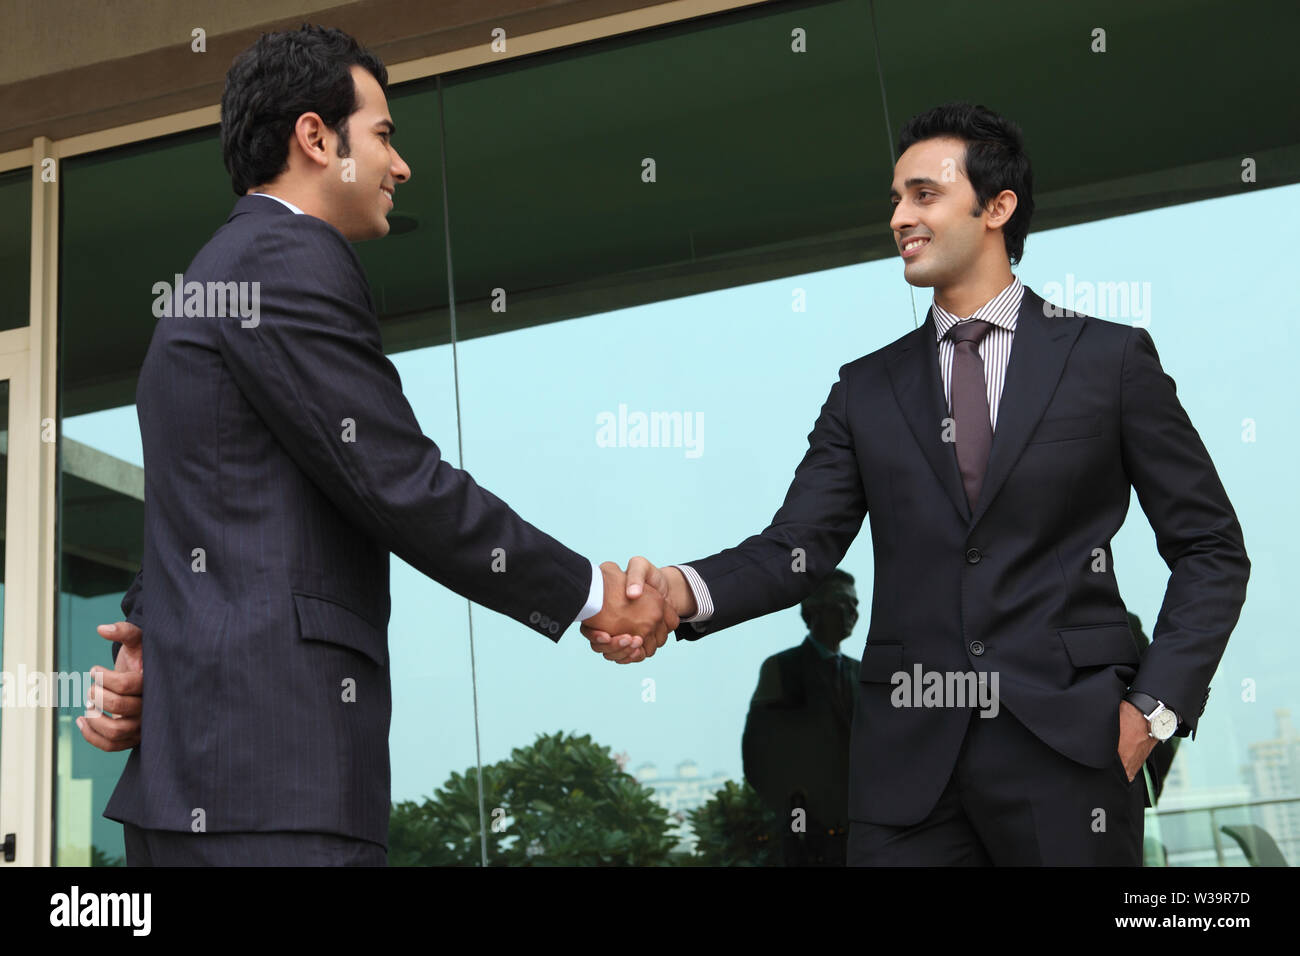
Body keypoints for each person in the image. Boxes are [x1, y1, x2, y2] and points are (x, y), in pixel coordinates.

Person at [587, 103, 1250, 865]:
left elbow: (1211, 549)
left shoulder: (1109, 360)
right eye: (895, 199)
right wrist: (677, 591)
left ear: (996, 207)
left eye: (923, 194)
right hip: (906, 775)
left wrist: (1154, 710)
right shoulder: (865, 390)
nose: (900, 216)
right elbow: (798, 546)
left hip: (1070, 755)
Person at [76, 24, 674, 866]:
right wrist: (586, 592)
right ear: (315, 138)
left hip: (211, 780)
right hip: (276, 780)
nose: (400, 167)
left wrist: (156, 640)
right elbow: (397, 479)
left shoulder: (216, 273)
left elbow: (216, 502)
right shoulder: (286, 256)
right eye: (384, 135)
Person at [742, 569, 860, 866]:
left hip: (862, 828)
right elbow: (757, 751)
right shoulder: (782, 668)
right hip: (806, 835)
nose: (851, 612)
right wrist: (794, 810)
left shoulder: (863, 673)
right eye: (841, 603)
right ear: (813, 611)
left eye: (855, 605)